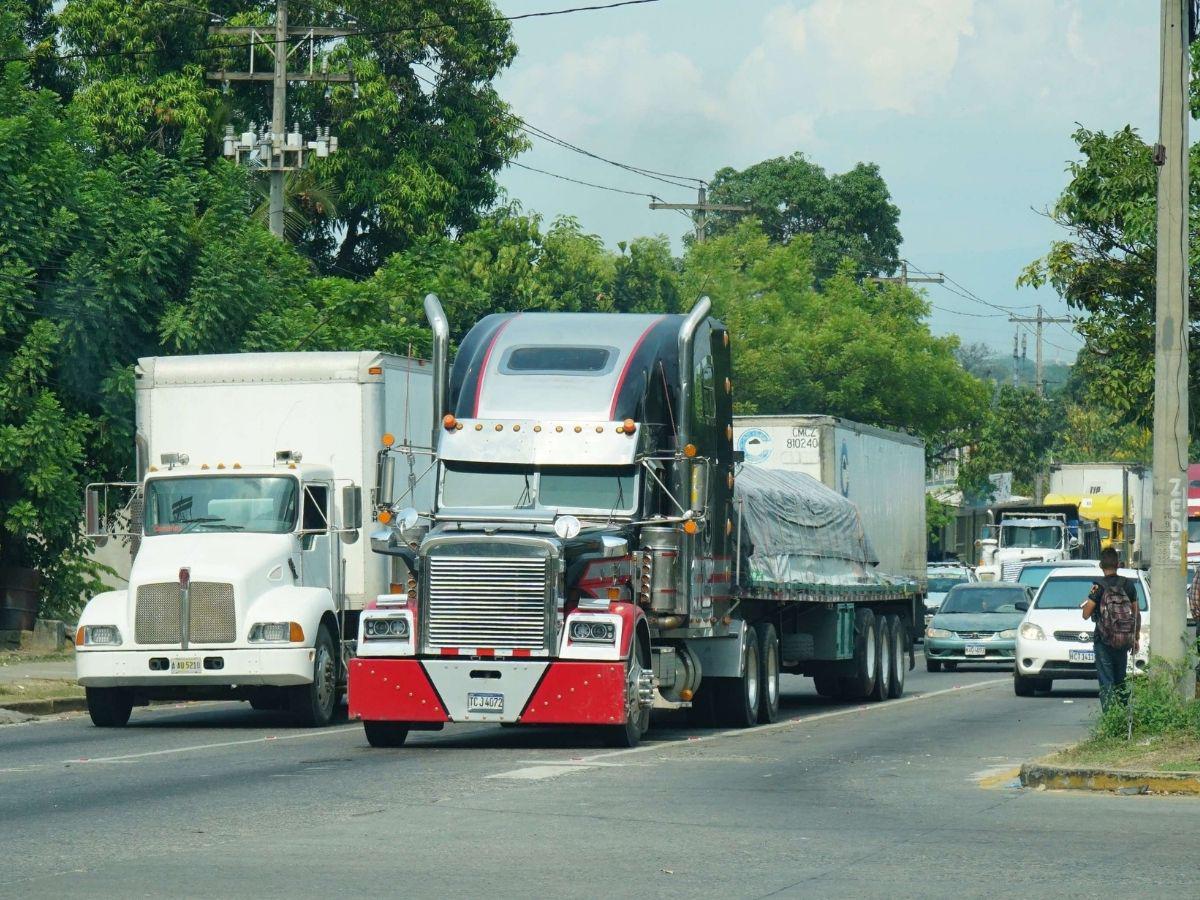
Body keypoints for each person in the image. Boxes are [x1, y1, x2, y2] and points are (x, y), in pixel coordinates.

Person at [1081, 546, 1140, 710]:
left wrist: (1086, 606)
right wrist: (1135, 638)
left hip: (1103, 641)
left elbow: (1086, 614)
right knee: (1121, 680)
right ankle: (1123, 713)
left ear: (1101, 565)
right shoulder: (1128, 585)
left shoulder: (1098, 586)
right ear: (1118, 564)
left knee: (1106, 680)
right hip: (1123, 640)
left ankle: (1109, 718)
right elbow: (1136, 613)